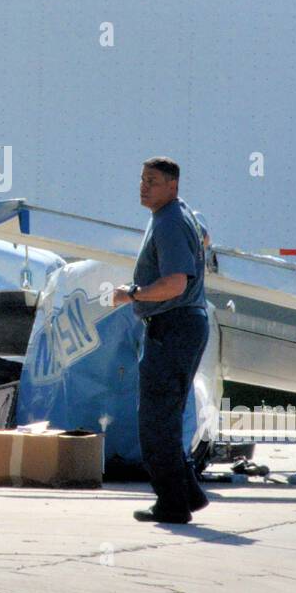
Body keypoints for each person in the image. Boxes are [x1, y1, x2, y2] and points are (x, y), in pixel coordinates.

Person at [110, 156, 211, 524]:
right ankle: (188, 494)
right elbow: (203, 242)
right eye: (141, 179)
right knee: (165, 417)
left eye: (152, 180)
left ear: (172, 186)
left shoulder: (169, 221)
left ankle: (172, 504)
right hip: (186, 324)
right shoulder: (179, 214)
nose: (143, 186)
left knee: (156, 422)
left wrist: (132, 293)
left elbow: (175, 283)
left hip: (174, 325)